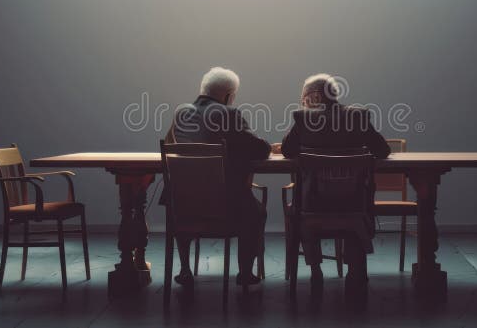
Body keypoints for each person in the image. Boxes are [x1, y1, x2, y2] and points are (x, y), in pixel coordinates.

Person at [281, 73, 391, 291]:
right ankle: (355, 271)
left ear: (314, 96)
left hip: (313, 205)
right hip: (354, 203)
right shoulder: (357, 117)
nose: (302, 102)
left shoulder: (304, 119)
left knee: (299, 206)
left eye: (303, 98)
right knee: (353, 204)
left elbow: (286, 150)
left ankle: (315, 270)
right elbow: (382, 150)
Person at [164, 67, 270, 286]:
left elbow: (170, 146)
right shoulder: (228, 113)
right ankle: (245, 273)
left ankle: (185, 269)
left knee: (183, 209)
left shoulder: (181, 112)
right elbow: (258, 149)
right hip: (222, 204)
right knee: (257, 212)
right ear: (229, 95)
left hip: (182, 203)